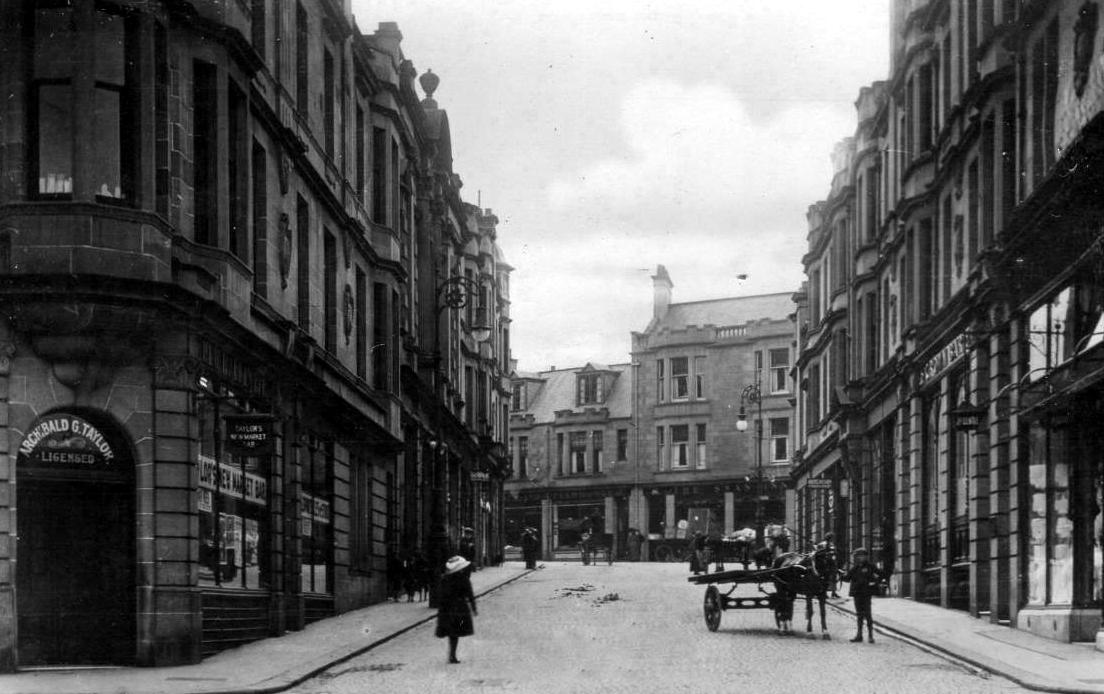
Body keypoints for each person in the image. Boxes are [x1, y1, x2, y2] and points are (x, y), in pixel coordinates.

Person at [436, 555, 477, 663]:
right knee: (456, 631)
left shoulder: (445, 579)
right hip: (459, 608)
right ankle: (452, 655)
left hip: (447, 608)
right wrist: (474, 608)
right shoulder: (464, 579)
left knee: (451, 631)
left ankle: (452, 654)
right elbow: (470, 594)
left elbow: (441, 594)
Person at [840, 547, 883, 643]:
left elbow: (880, 575)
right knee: (859, 615)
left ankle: (870, 636)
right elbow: (847, 578)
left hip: (866, 593)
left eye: (861, 556)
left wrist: (874, 582)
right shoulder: (855, 568)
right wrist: (841, 574)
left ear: (865, 556)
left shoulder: (871, 567)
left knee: (868, 614)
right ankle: (859, 635)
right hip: (857, 594)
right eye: (858, 556)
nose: (859, 558)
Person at [816, 532, 841, 598]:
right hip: (825, 564)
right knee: (826, 579)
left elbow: (834, 553)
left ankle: (833, 592)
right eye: (831, 537)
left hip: (832, 563)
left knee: (834, 579)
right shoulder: (822, 544)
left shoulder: (832, 544)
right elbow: (818, 554)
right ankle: (825, 592)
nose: (832, 539)